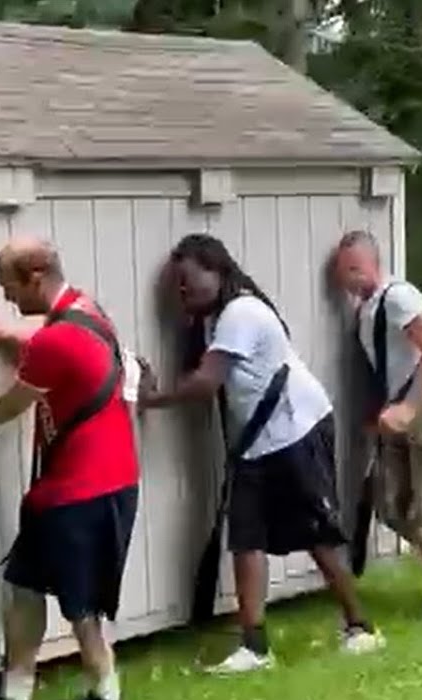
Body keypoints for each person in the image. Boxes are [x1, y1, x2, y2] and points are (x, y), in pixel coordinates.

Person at [136, 233, 383, 674]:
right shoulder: (213, 320)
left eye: (187, 280)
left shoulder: (241, 313)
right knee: (246, 538)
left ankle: (361, 627)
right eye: (176, 284)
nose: (182, 291)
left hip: (296, 430)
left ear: (217, 271)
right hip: (257, 443)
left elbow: (206, 383)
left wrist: (153, 398)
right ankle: (254, 647)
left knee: (317, 534)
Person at [0, 237, 139, 700]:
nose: (7, 296)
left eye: (9, 285)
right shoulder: (86, 310)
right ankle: (14, 696)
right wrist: (3, 332)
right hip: (74, 485)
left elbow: (10, 404)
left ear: (35, 276)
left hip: (88, 489)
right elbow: (48, 346)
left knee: (81, 604)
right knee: (25, 585)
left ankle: (107, 697)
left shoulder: (56, 340)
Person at [331, 230, 422, 617]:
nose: (344, 285)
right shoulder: (369, 308)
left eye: (345, 274)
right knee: (390, 506)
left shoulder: (401, 297)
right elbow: (387, 365)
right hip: (397, 412)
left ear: (361, 266)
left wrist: (409, 407)